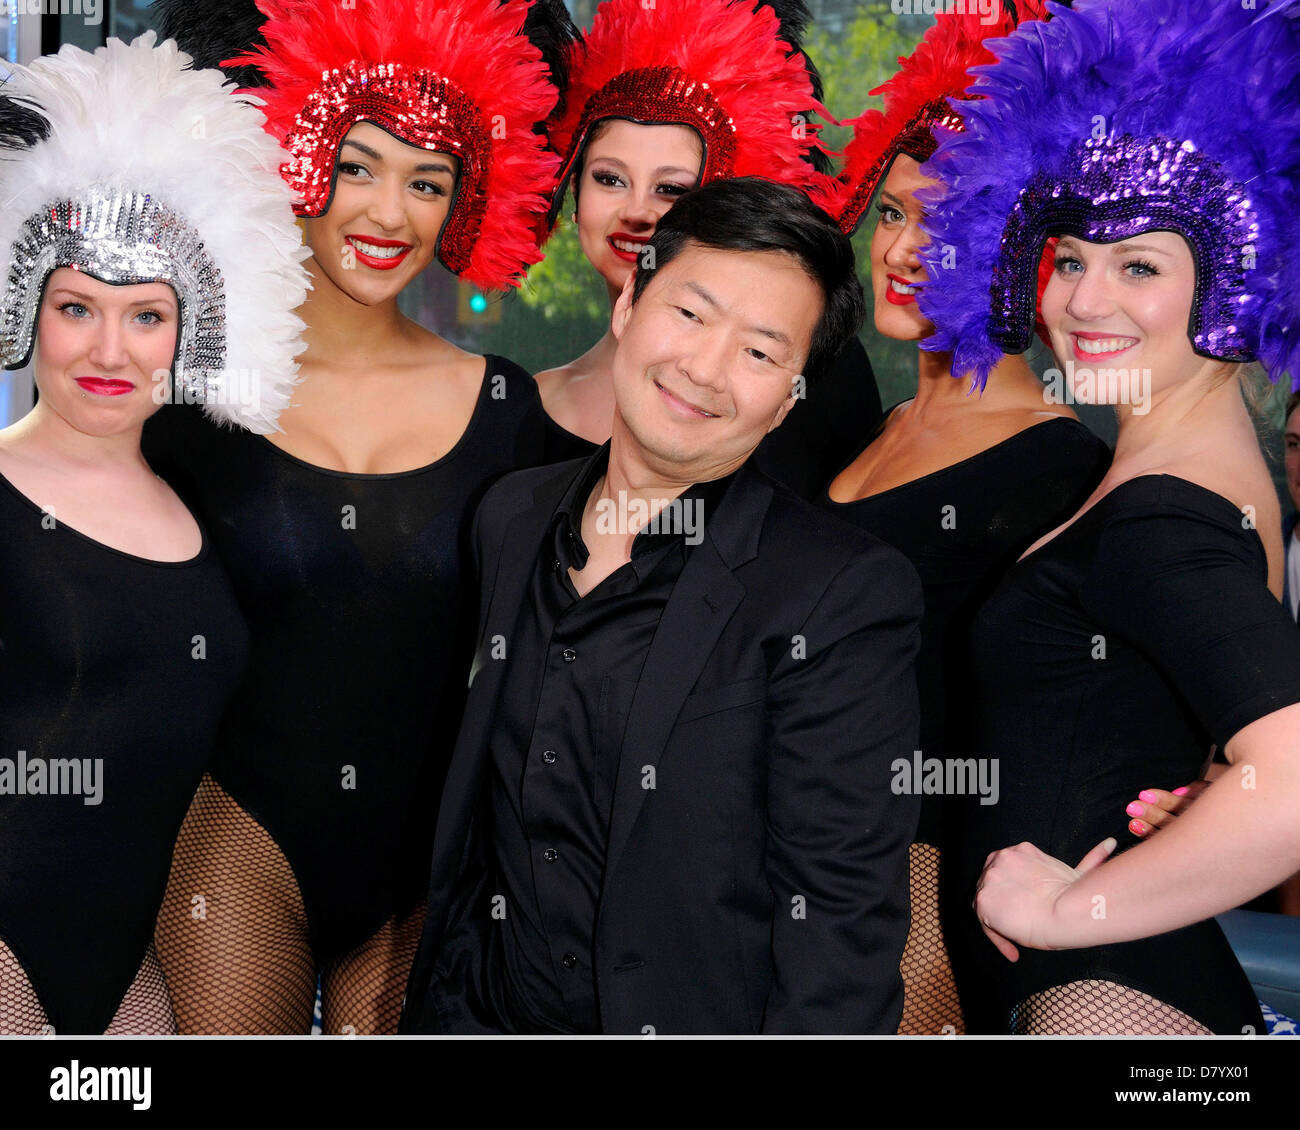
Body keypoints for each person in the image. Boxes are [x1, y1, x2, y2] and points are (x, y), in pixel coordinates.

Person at [400, 177, 923, 1035]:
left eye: (761, 352)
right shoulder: (512, 517)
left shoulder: (839, 593)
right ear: (629, 306)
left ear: (791, 396)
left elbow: (840, 925)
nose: (705, 370)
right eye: (689, 314)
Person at [144, 0, 562, 1034]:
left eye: (428, 182)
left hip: (434, 854)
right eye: (359, 165)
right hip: (237, 838)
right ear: (295, 159)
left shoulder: (511, 410)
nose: (389, 213)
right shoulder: (194, 390)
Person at [914, 0, 1300, 1034]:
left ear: (1230, 283)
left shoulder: (1160, 518)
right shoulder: (1199, 474)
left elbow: (1293, 780)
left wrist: (1067, 905)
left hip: (1110, 1001)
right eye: (1072, 257)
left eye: (1139, 266)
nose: (1085, 302)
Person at [810, 0, 1109, 1034]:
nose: (898, 246)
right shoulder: (861, 426)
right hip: (790, 867)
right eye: (889, 212)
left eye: (940, 219)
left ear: (1013, 241)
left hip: (917, 899)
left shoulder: (1063, 464)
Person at [0, 33, 308, 1033]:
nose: (106, 348)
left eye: (145, 316)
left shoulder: (197, 507)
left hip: (133, 966)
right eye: (76, 307)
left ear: (193, 331)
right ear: (27, 309)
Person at [533, 0, 882, 496]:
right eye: (609, 179)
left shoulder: (810, 375)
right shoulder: (529, 408)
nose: (636, 211)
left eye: (672, 189)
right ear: (575, 196)